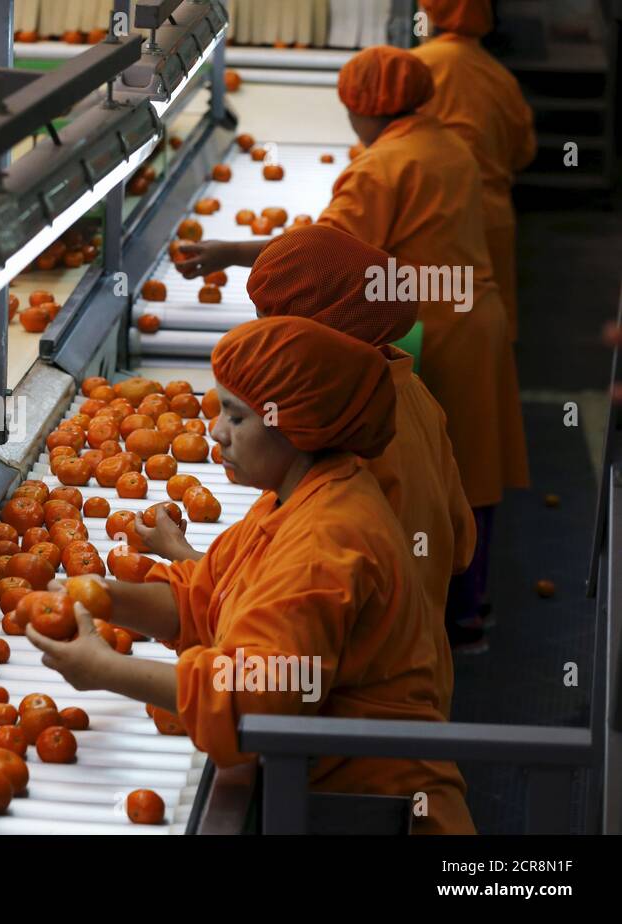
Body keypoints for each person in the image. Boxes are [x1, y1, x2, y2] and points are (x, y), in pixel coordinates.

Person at [28, 317, 475, 835]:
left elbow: (257, 694)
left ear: (298, 426)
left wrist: (105, 670)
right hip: (327, 787)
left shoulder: (323, 540)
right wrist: (103, 597)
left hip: (374, 809)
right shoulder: (292, 498)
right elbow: (202, 595)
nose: (216, 431)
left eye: (237, 418)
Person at [176, 46, 527, 643]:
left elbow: (324, 256)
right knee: (472, 466)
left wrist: (230, 254)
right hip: (473, 314)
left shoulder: (379, 168)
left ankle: (449, 618)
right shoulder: (447, 144)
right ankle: (466, 613)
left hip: (442, 328)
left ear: (365, 108)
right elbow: (452, 526)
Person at [143, 224, 479, 653]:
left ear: (315, 339)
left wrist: (181, 554)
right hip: (421, 652)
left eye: (270, 324)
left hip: (352, 678)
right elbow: (460, 545)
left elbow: (279, 599)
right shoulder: (415, 396)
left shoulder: (343, 446)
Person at [413, 0, 536, 339]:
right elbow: (523, 152)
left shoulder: (415, 67)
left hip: (433, 217)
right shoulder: (502, 78)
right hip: (492, 218)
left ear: (429, 17)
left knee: (435, 334)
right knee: (488, 332)